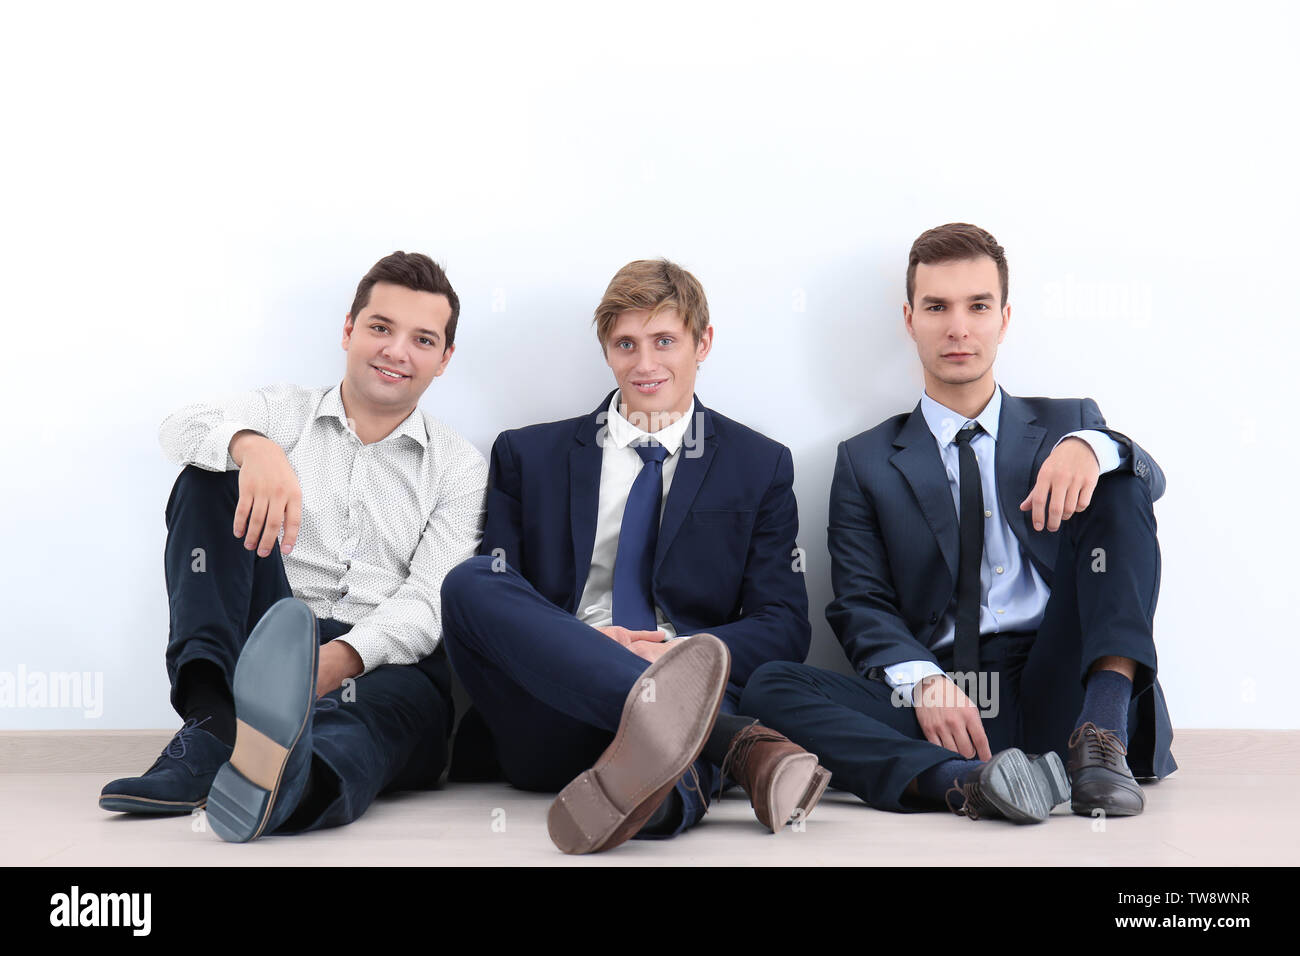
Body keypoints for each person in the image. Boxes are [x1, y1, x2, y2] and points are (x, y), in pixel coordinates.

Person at [742, 223, 1175, 824]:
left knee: (1120, 482)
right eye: (937, 307)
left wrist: (1097, 446)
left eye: (978, 306)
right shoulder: (865, 460)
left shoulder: (1067, 420)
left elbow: (1147, 489)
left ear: (1004, 317)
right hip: (947, 703)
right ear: (909, 318)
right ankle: (969, 783)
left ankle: (1101, 740)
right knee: (770, 687)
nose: (958, 328)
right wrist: (923, 683)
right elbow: (861, 604)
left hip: (1063, 682)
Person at [440, 258, 828, 854]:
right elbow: (502, 605)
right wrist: (591, 646)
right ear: (606, 350)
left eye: (664, 341)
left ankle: (660, 783)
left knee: (666, 751)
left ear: (704, 343)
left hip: (686, 689)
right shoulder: (528, 455)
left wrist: (676, 656)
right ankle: (730, 746)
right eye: (626, 343)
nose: (645, 365)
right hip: (554, 704)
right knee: (469, 581)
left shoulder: (760, 465)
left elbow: (783, 625)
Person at [99, 252, 488, 842]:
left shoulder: (459, 465)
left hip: (384, 664)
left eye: (422, 339)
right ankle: (214, 724)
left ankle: (289, 787)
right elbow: (178, 425)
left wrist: (339, 661)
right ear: (349, 330)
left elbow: (431, 601)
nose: (396, 351)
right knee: (206, 475)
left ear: (444, 359)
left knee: (362, 731)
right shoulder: (285, 412)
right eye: (381, 328)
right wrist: (254, 448)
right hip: (268, 641)